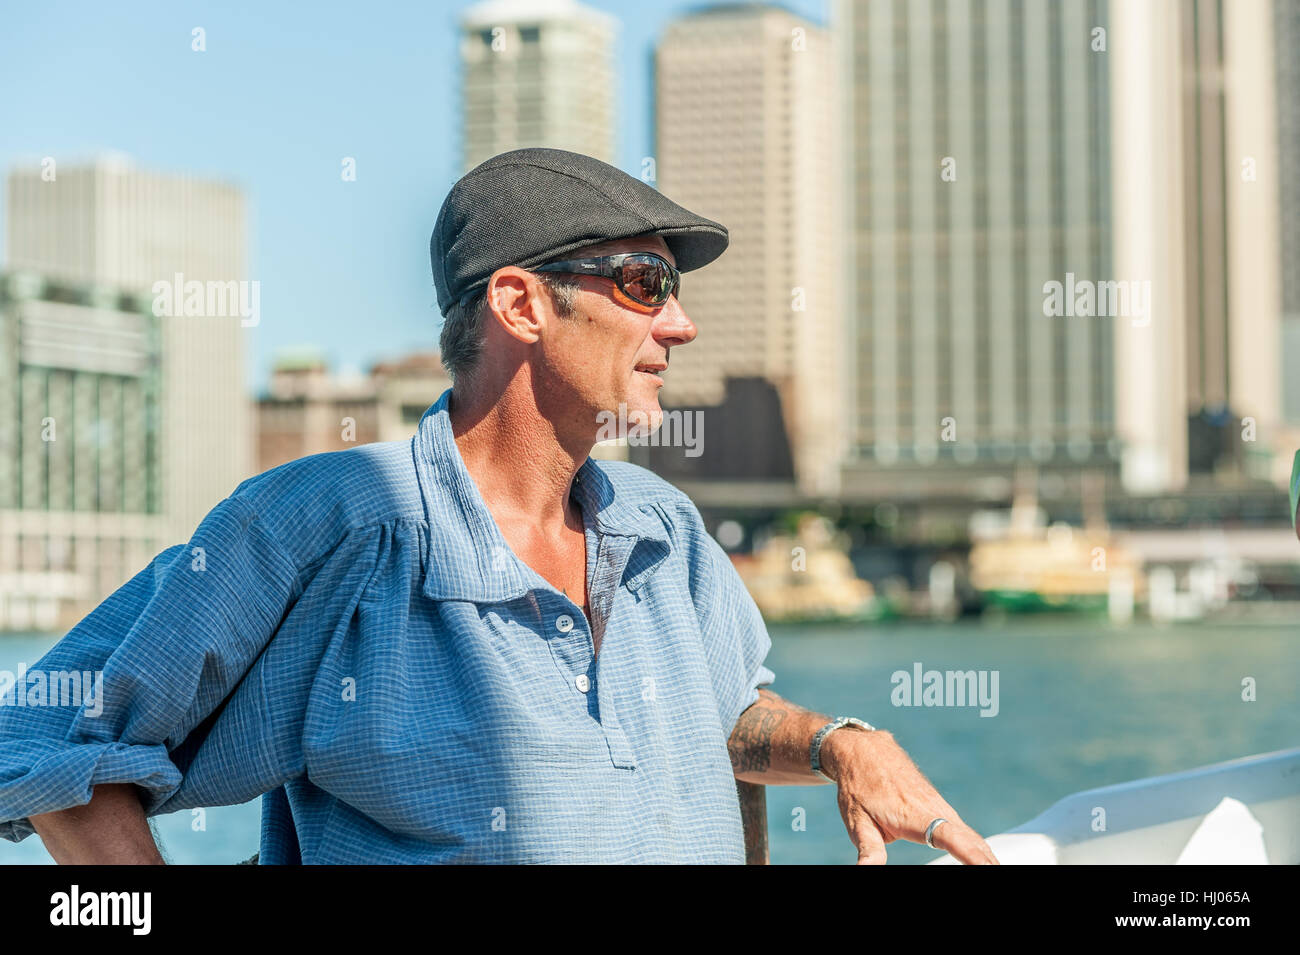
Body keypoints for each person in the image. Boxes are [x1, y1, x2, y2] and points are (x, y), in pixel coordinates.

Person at [0, 148, 997, 865]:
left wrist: (837, 744)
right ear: (521, 305)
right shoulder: (336, 522)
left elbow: (724, 718)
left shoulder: (664, 528)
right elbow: (41, 741)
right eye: (646, 282)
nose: (682, 324)